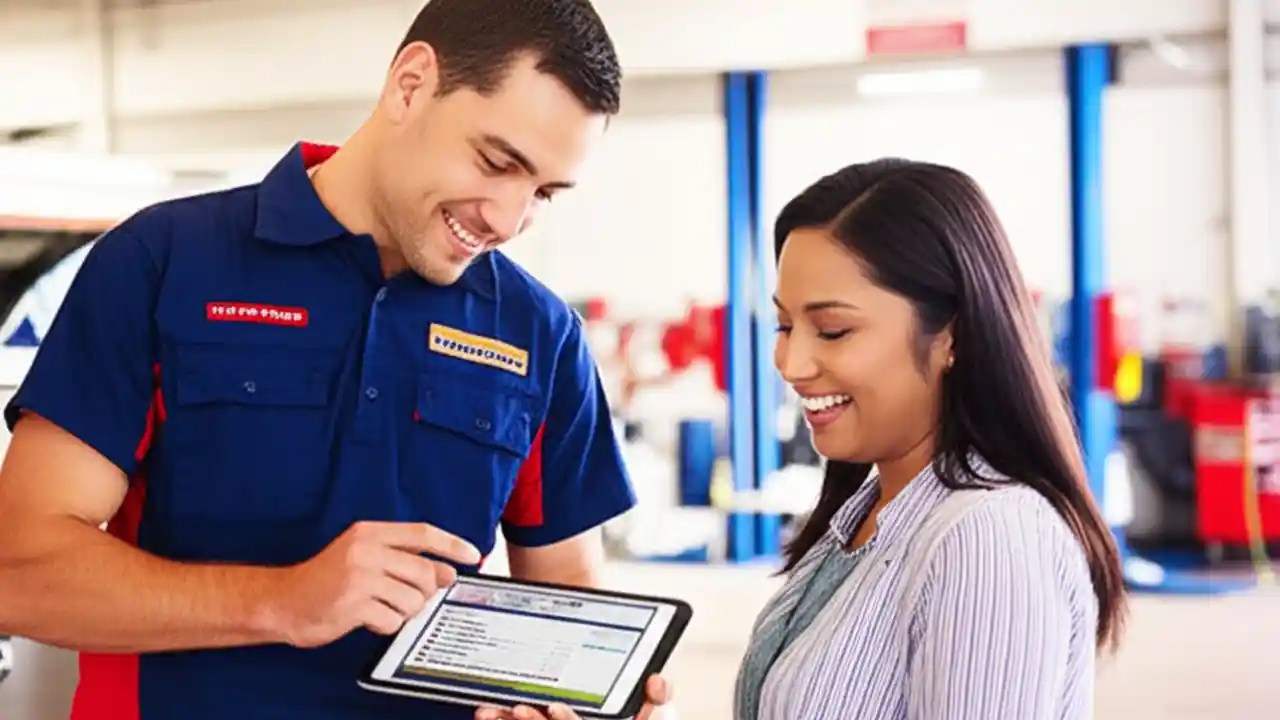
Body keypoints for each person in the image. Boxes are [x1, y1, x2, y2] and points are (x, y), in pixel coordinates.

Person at [0, 1, 636, 719]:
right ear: (411, 83)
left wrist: (572, 701)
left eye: (545, 193)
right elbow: (17, 570)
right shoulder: (162, 261)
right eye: (496, 162)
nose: (508, 219)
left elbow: (569, 595)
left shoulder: (541, 333)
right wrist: (282, 602)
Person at [489, 160, 1127, 720]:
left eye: (832, 330)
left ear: (952, 336)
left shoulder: (989, 535)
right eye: (785, 324)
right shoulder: (864, 518)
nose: (790, 363)